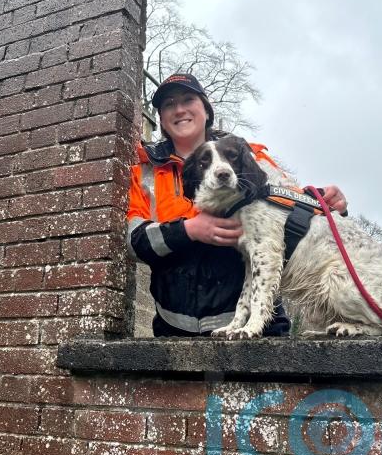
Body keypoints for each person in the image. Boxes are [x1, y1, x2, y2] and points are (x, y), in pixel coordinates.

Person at [126, 73, 348, 337]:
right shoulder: (144, 173)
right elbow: (134, 242)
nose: (180, 109)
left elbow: (290, 207)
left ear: (206, 111)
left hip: (256, 330)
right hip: (175, 331)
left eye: (188, 99)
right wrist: (189, 230)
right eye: (169, 104)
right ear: (161, 119)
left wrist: (332, 204)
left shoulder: (248, 155)